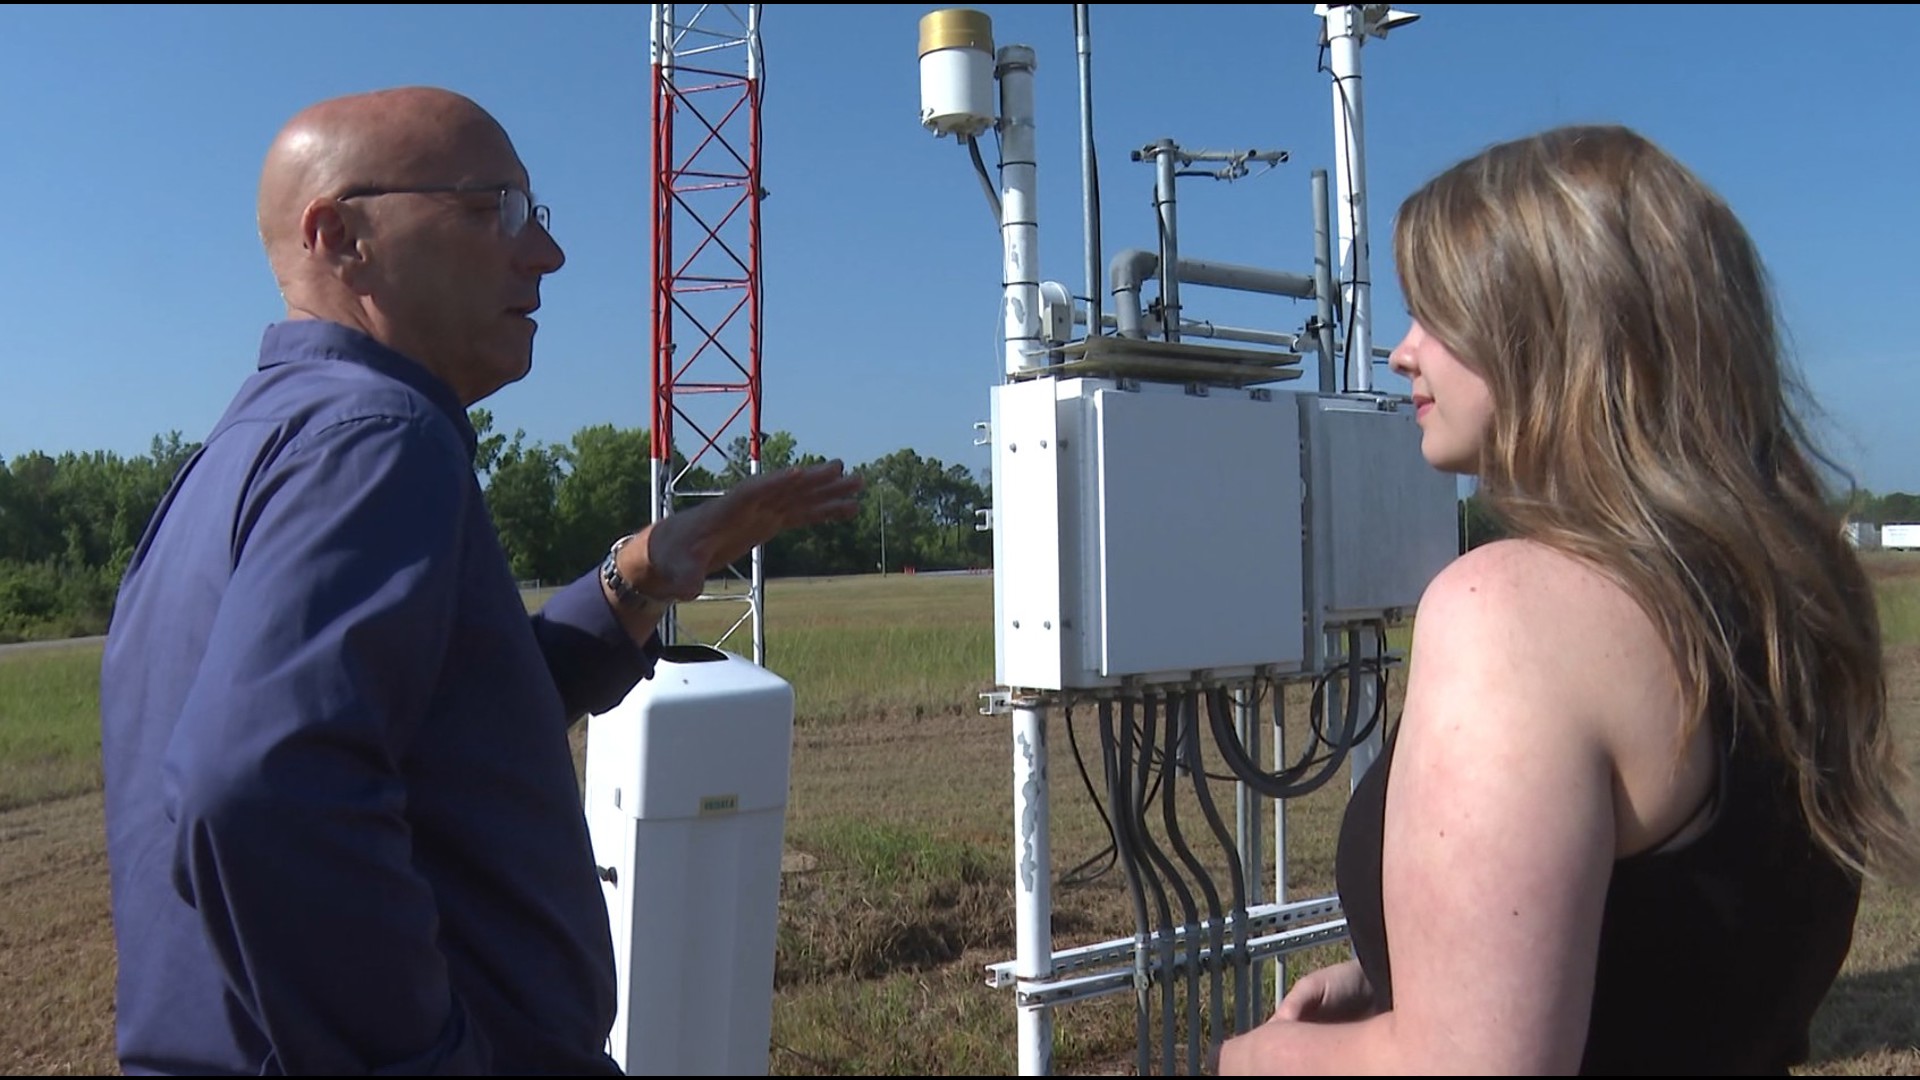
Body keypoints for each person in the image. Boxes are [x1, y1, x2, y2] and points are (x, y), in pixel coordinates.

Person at [98, 86, 863, 1075]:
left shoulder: (247, 456)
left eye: (536, 214)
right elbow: (260, 787)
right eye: (492, 209)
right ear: (340, 236)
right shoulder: (380, 439)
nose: (544, 253)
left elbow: (427, 740)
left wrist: (631, 581)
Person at [1217, 124, 1916, 1075]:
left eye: (1438, 314)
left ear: (1551, 334)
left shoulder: (1507, 614)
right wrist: (1397, 972)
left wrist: (1257, 1060)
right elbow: (1683, 953)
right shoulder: (1787, 600)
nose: (1401, 353)